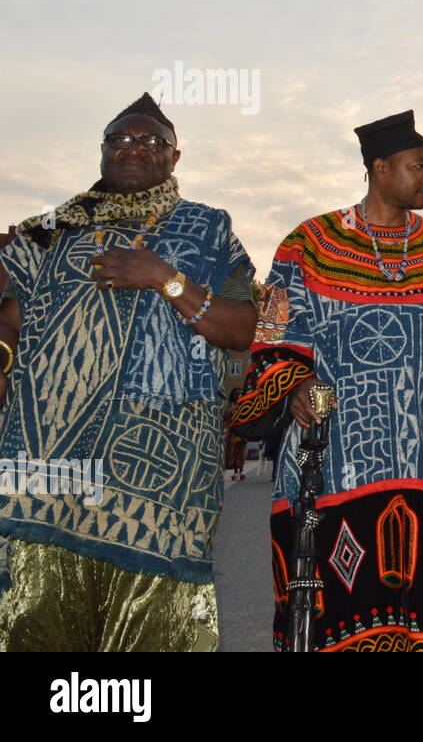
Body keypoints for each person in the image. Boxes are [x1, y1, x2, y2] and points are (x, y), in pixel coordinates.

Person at [233, 110, 423, 651]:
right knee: (330, 611)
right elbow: (272, 331)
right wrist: (293, 386)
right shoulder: (307, 242)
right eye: (419, 165)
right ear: (381, 169)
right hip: (336, 460)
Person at [0, 92, 255, 651]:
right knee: (36, 617)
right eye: (118, 140)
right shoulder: (50, 229)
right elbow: (11, 322)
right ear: (101, 152)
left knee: (153, 631)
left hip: (160, 472)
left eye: (148, 141)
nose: (131, 149)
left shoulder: (208, 229)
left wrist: (165, 278)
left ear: (175, 157)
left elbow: (242, 330)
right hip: (47, 465)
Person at [224, 388, 247, 482]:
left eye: (239, 394)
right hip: (232, 433)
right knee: (232, 452)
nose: (238, 396)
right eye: (236, 394)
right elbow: (225, 417)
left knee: (241, 452)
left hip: (242, 432)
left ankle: (240, 471)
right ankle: (235, 471)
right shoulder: (230, 406)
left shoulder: (244, 405)